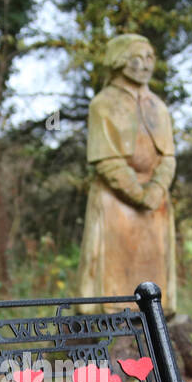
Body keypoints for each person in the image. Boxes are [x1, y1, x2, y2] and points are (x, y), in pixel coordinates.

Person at [77, 34, 177, 314]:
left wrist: (156, 189)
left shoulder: (159, 107)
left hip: (155, 203)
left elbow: (168, 156)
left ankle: (156, 314)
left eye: (149, 58)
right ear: (119, 60)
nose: (145, 65)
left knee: (153, 272)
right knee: (113, 281)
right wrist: (137, 193)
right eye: (137, 58)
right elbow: (106, 158)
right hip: (116, 201)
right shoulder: (103, 104)